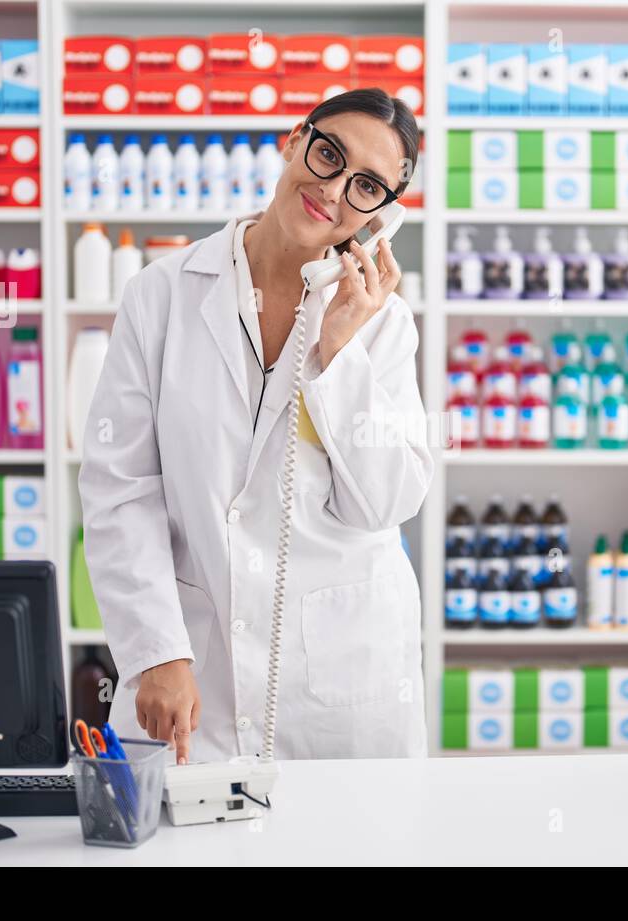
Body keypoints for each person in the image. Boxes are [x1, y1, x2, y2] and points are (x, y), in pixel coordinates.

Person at [79, 89, 432, 764]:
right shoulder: (162, 294)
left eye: (365, 187)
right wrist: (158, 649)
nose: (331, 190)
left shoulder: (382, 327)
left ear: (381, 217)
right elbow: (120, 488)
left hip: (343, 679)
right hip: (194, 671)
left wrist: (339, 354)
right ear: (294, 138)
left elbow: (387, 503)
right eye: (328, 154)